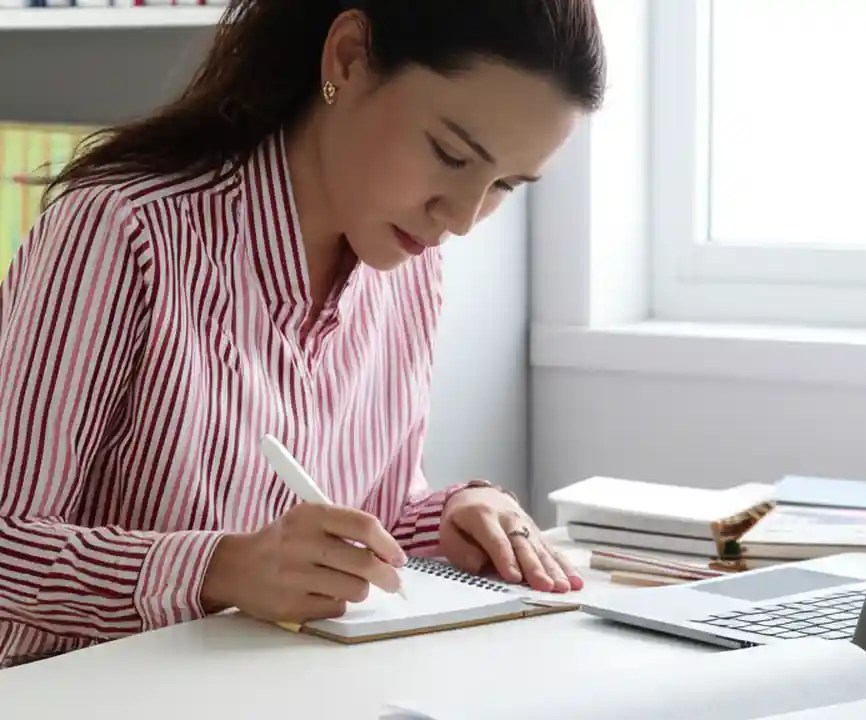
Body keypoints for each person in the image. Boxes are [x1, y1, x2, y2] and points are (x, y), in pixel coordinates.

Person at [0, 0, 604, 668]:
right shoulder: (121, 233)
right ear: (346, 60)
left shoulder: (407, 269)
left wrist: (449, 518)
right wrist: (216, 569)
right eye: (452, 155)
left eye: (505, 186)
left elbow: (356, 518)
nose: (461, 219)